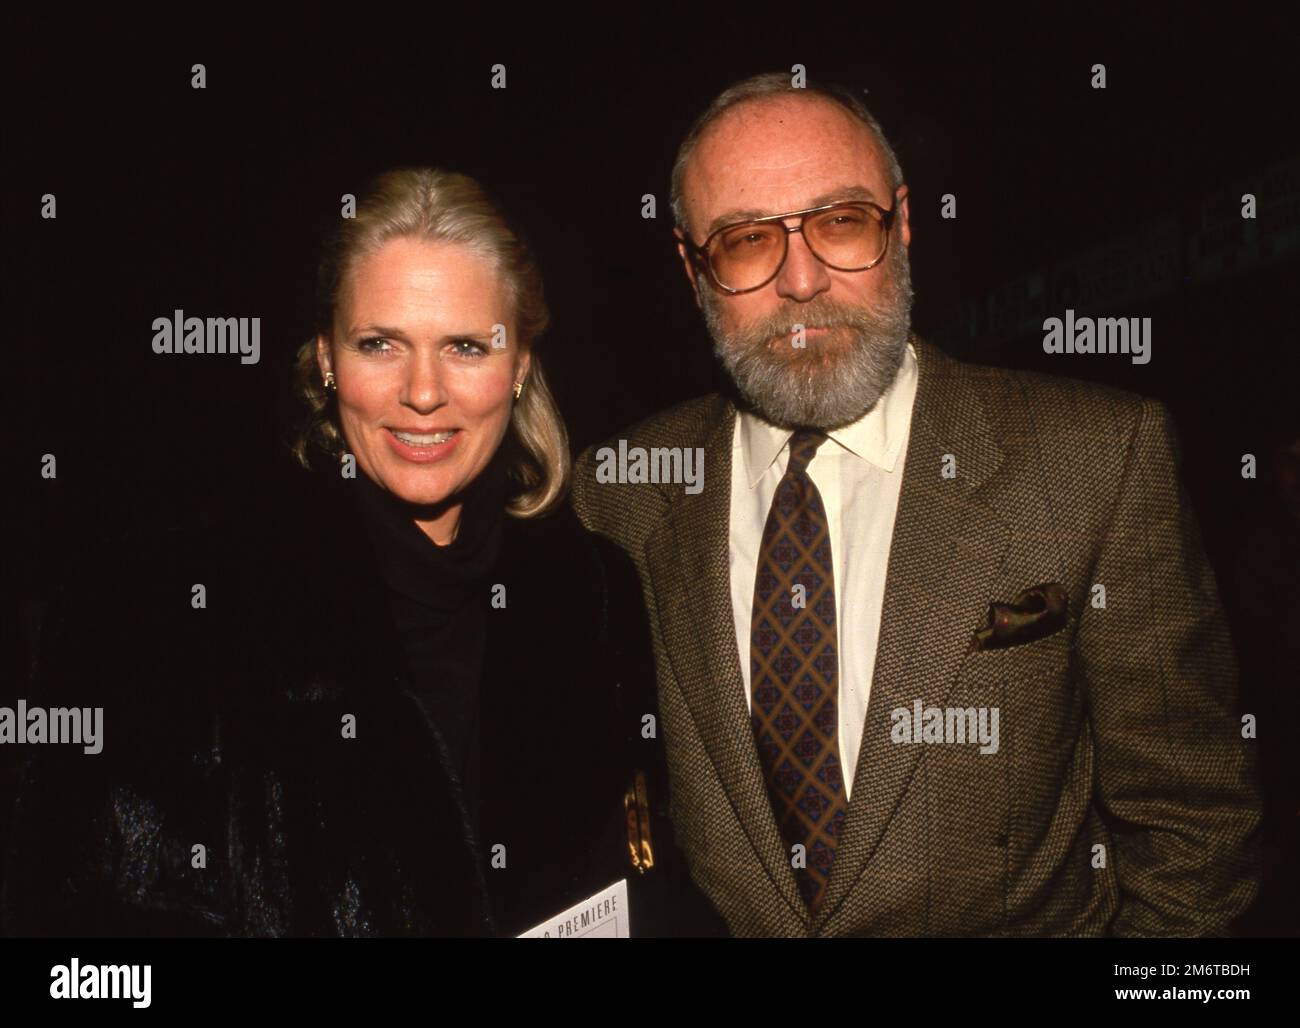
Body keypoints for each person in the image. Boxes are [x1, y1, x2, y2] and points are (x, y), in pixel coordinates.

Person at [570, 73, 1262, 937]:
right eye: (747, 239)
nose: (802, 279)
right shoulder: (616, 494)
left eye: (840, 222)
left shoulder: (1096, 460)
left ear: (901, 225)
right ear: (693, 266)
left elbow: (1195, 829)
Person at [1, 167, 724, 938]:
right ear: (325, 360)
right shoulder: (157, 611)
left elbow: (651, 884)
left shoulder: (595, 592)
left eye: (467, 347)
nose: (421, 392)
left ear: (518, 370)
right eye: (379, 344)